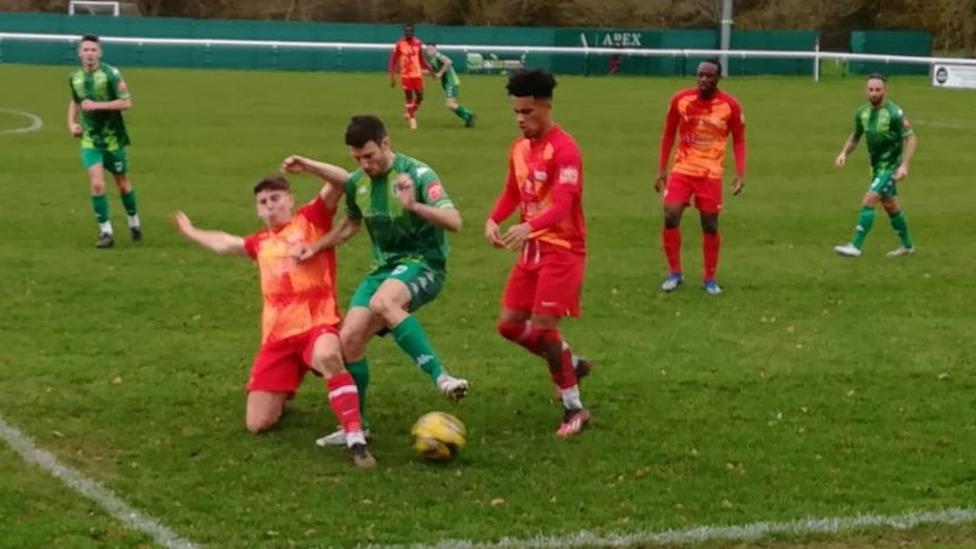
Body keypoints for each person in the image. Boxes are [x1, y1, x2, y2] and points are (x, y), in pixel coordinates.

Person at [283, 115, 469, 448]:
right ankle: (359, 426)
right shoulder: (359, 184)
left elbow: (454, 221)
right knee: (349, 339)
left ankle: (442, 377)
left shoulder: (418, 174)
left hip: (424, 264)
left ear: (385, 143)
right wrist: (315, 247)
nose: (365, 164)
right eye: (357, 159)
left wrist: (414, 206)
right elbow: (350, 226)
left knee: (385, 302)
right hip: (384, 269)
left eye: (369, 155)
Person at [172, 174, 375, 469]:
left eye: (275, 198)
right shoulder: (260, 242)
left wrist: (306, 164)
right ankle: (283, 393)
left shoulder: (311, 218)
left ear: (289, 200)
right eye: (263, 202)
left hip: (317, 326)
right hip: (278, 340)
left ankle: (356, 438)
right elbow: (226, 244)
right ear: (257, 209)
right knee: (257, 424)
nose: (270, 206)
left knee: (328, 355)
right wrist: (192, 232)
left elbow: (343, 182)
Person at [485, 69, 592, 438]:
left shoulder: (566, 150)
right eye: (516, 112)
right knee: (510, 325)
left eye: (527, 112)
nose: (520, 120)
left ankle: (574, 407)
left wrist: (529, 226)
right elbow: (512, 192)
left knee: (546, 330)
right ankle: (569, 361)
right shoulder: (518, 149)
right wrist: (493, 219)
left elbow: (563, 205)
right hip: (531, 251)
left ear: (546, 107)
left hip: (562, 251)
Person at [654, 58, 746, 295]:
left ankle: (709, 278)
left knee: (709, 224)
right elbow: (668, 134)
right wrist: (662, 168)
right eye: (700, 75)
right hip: (683, 168)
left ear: (718, 78)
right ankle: (675, 273)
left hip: (711, 173)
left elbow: (739, 139)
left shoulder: (730, 106)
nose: (704, 79)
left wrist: (740, 172)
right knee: (670, 214)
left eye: (709, 76)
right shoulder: (681, 100)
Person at [68, 34, 142, 249]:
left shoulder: (111, 74)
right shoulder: (75, 78)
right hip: (90, 140)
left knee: (122, 184)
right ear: (79, 53)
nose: (89, 54)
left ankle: (134, 222)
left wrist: (98, 106)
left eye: (93, 50)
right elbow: (75, 101)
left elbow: (126, 103)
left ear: (100, 53)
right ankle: (106, 232)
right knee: (97, 183)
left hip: (113, 139)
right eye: (86, 50)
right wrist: (71, 124)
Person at [833, 74, 917, 258]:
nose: (874, 93)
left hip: (891, 167)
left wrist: (904, 165)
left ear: (884, 91)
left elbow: (910, 139)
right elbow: (855, 136)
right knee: (890, 205)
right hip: (877, 167)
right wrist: (843, 153)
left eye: (878, 90)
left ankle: (855, 246)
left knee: (869, 199)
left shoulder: (895, 113)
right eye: (871, 90)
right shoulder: (862, 112)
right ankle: (907, 246)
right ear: (866, 91)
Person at [389, 24, 431, 130]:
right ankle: (412, 119)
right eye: (406, 31)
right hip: (406, 75)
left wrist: (431, 71)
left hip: (417, 74)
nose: (408, 33)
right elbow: (393, 61)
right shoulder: (400, 44)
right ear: (404, 32)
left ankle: (409, 112)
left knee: (420, 97)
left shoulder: (418, 43)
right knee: (409, 97)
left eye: (410, 31)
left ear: (413, 32)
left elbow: (422, 59)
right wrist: (392, 77)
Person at [424, 44, 477, 127]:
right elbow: (432, 73)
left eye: (431, 48)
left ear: (435, 49)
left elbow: (448, 62)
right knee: (452, 105)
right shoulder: (432, 61)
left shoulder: (438, 55)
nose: (428, 50)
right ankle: (468, 119)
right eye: (427, 48)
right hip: (447, 83)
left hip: (451, 81)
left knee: (450, 104)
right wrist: (417, 72)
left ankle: (470, 115)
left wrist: (440, 73)